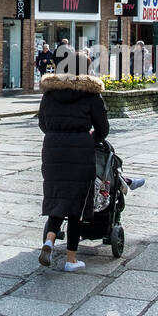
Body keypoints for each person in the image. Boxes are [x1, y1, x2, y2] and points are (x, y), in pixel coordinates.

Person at [38, 68, 109, 272]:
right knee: (76, 206)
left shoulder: (49, 93)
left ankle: (50, 240)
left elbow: (42, 123)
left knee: (58, 198)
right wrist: (90, 139)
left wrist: (56, 134)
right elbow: (103, 128)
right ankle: (71, 260)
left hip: (52, 150)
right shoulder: (91, 94)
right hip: (80, 151)